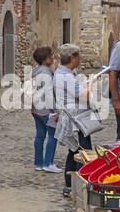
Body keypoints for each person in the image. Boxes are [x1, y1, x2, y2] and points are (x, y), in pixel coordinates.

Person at [53, 44, 92, 198]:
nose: (80, 59)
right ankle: (78, 187)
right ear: (72, 58)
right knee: (83, 152)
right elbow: (83, 96)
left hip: (73, 118)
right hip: (75, 120)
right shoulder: (66, 76)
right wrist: (92, 84)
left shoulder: (64, 73)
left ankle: (70, 185)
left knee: (74, 150)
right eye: (78, 56)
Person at [30, 46, 60, 173]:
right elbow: (48, 93)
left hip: (35, 108)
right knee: (53, 135)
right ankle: (48, 163)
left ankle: (38, 163)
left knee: (40, 135)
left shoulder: (35, 71)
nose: (52, 58)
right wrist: (55, 110)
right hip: (46, 109)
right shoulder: (46, 73)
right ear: (44, 59)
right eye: (50, 56)